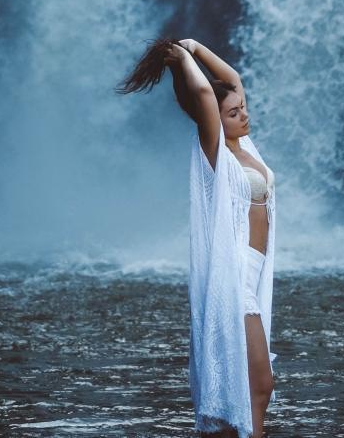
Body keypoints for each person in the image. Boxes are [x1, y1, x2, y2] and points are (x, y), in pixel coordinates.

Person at [118, 36, 276, 438]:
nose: (243, 114)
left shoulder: (245, 145)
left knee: (251, 389)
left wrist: (197, 47)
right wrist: (182, 59)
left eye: (243, 108)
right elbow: (205, 93)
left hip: (254, 274)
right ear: (214, 122)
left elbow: (231, 80)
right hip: (234, 277)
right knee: (257, 386)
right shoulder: (215, 154)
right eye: (233, 112)